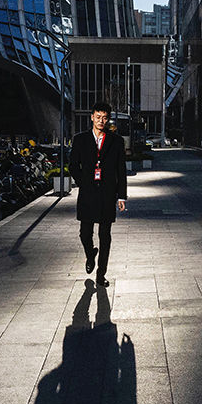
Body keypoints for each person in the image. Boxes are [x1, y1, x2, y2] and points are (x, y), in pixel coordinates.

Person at [71, 101, 127, 286]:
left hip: (107, 194)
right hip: (87, 194)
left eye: (104, 117)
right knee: (84, 233)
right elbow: (73, 166)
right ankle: (90, 254)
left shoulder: (116, 141)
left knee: (105, 236)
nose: (101, 120)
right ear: (92, 117)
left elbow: (121, 169)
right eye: (98, 117)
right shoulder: (80, 139)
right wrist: (83, 183)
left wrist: (121, 195)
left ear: (107, 119)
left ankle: (100, 275)